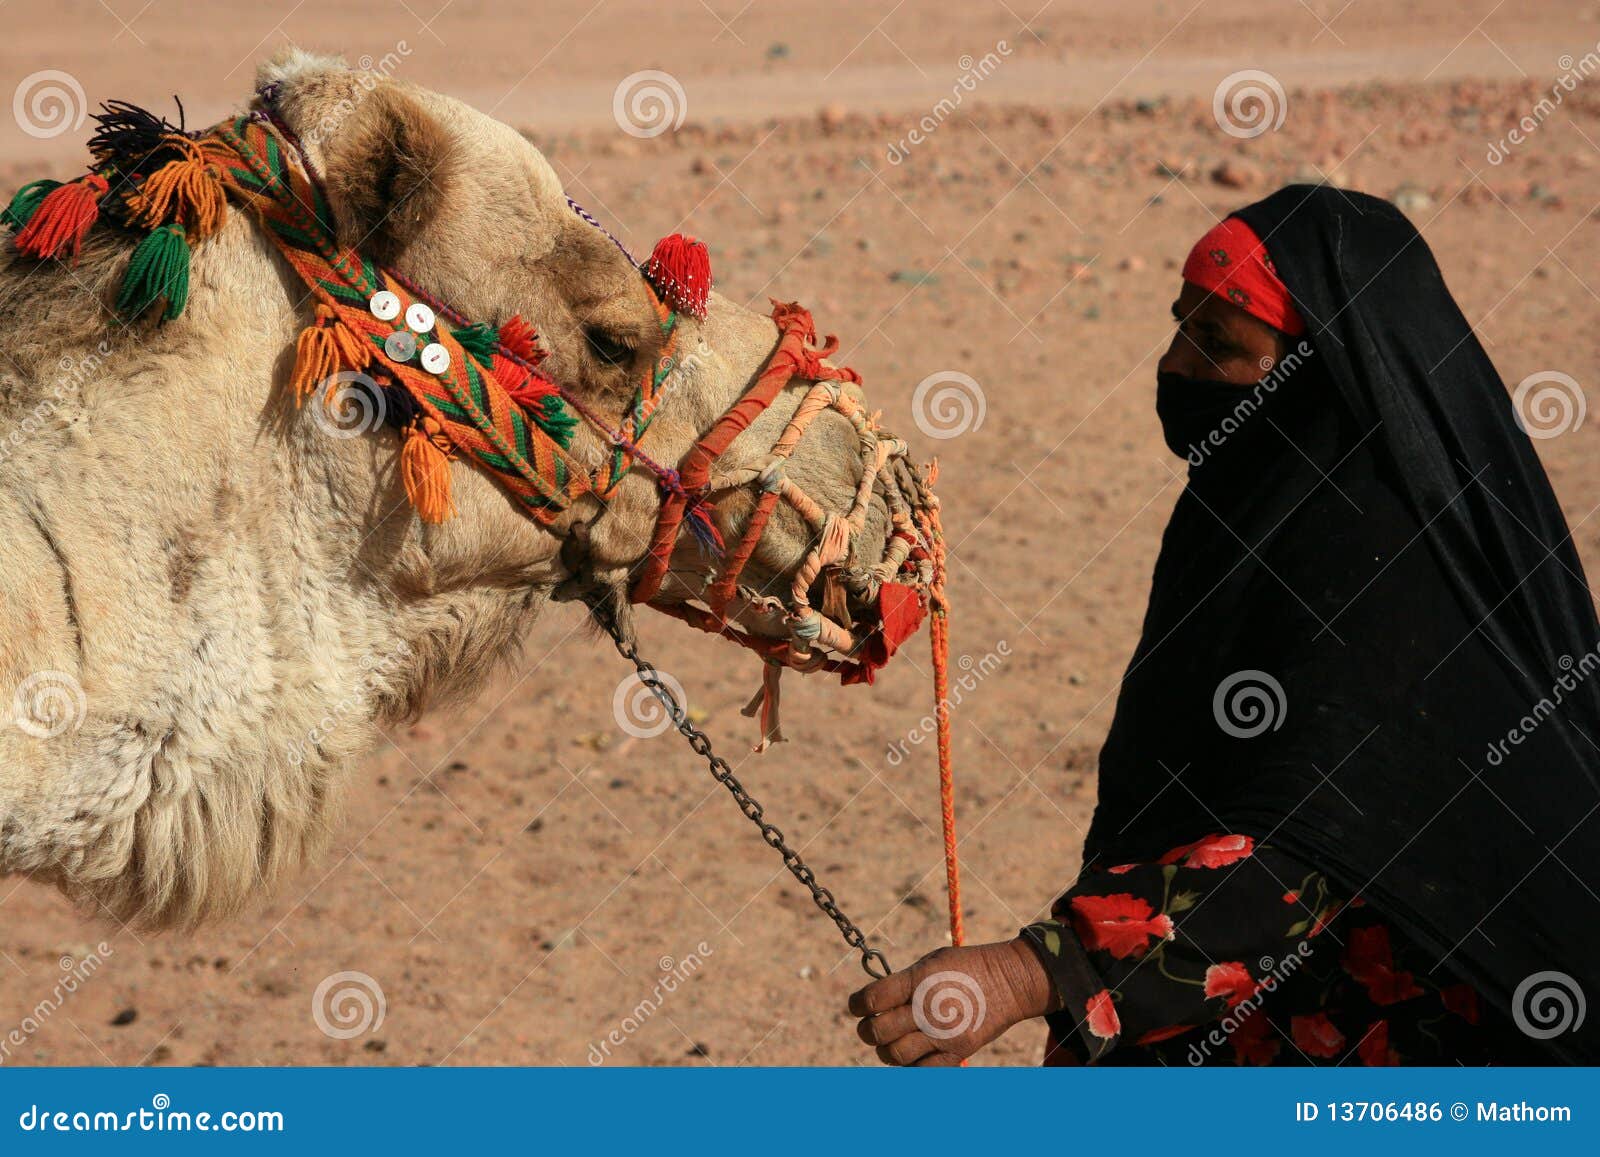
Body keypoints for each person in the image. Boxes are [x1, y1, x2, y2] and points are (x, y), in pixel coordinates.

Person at [849, 185, 1600, 1066]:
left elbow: (1296, 863)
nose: (1176, 365)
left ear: (1320, 368)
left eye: (1219, 344)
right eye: (1181, 328)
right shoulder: (1258, 503)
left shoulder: (1389, 560)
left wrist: (1029, 972)